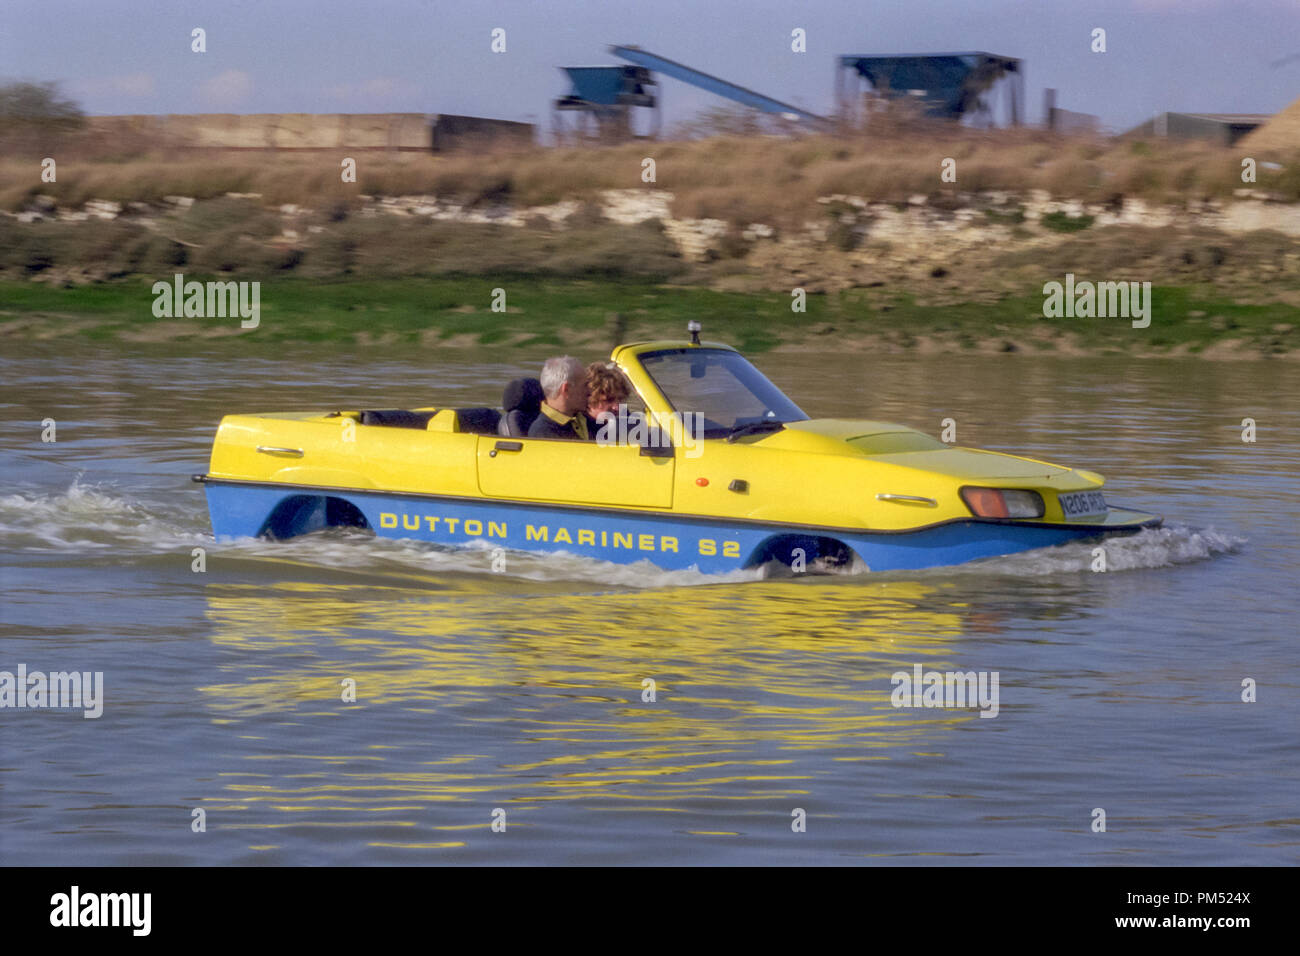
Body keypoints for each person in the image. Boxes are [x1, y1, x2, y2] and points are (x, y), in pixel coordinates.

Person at [527, 356, 590, 440]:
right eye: (584, 386)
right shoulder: (543, 434)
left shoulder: (582, 419)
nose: (589, 392)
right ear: (566, 389)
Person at [584, 361, 632, 437]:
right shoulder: (576, 429)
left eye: (620, 399)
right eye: (609, 400)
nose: (617, 407)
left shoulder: (625, 418)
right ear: (589, 399)